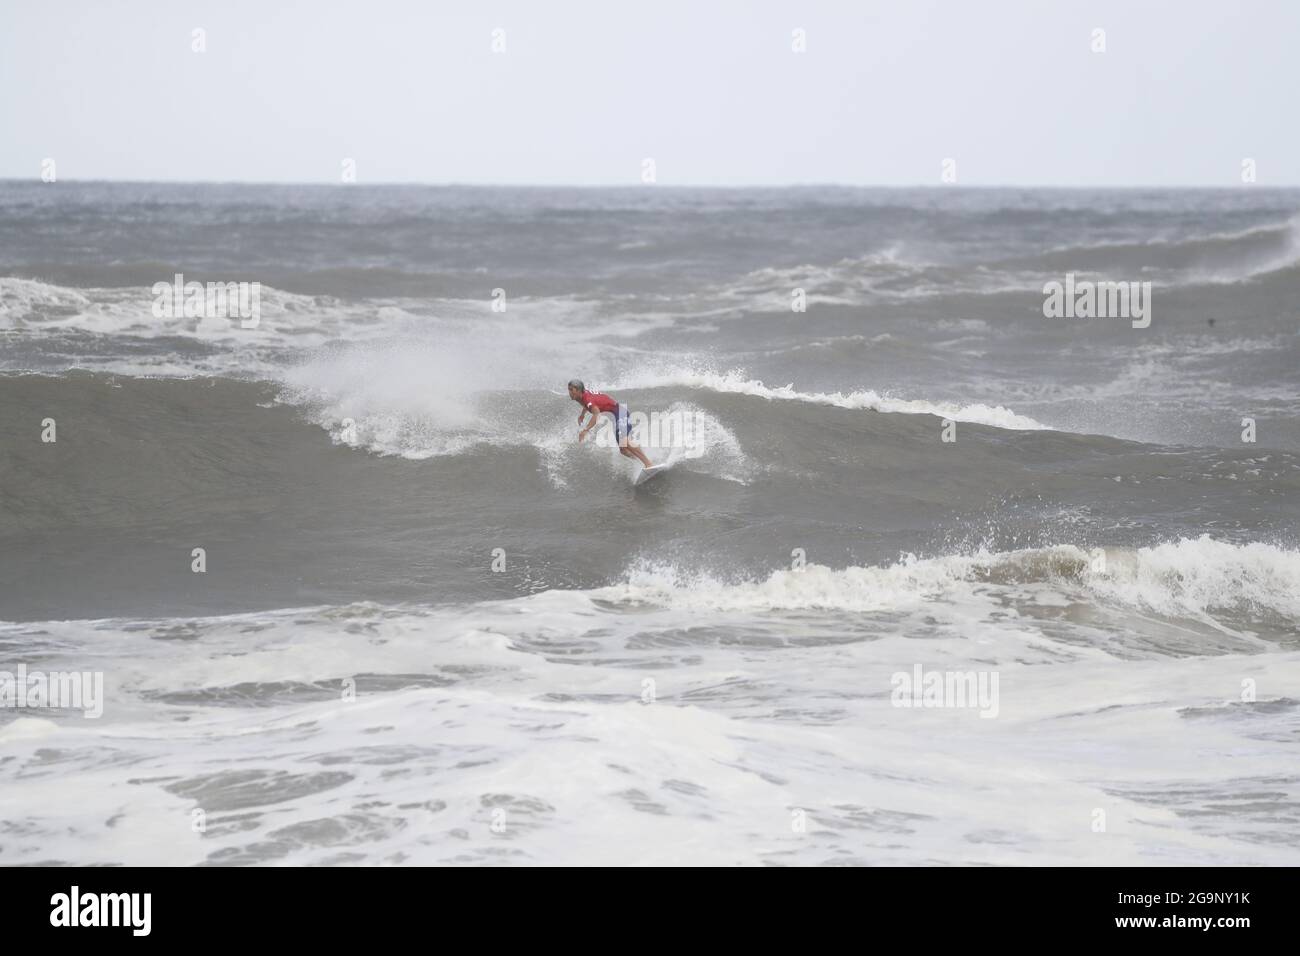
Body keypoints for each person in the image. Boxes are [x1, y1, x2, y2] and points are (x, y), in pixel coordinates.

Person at [568, 379, 653, 468]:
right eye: (569, 389)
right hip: (615, 417)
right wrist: (582, 415)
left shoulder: (587, 399)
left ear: (578, 390)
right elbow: (587, 405)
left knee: (625, 441)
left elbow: (597, 414)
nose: (569, 392)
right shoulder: (581, 396)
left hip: (621, 413)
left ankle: (648, 463)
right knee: (623, 450)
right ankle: (641, 461)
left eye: (571, 390)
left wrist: (586, 430)